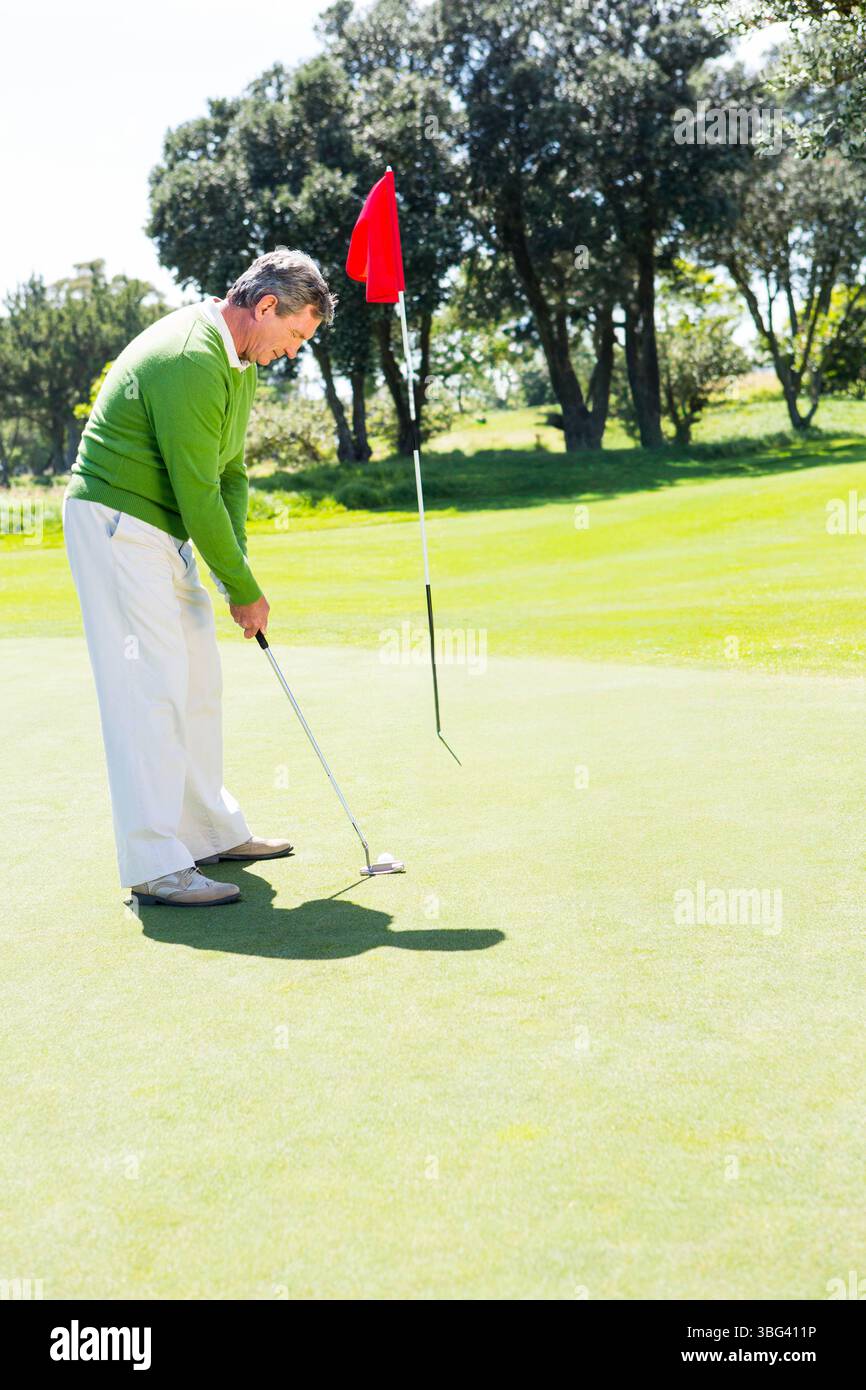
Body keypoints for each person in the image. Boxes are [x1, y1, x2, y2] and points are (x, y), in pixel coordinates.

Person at [63, 247, 337, 907]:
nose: (295, 351)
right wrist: (242, 589)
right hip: (118, 522)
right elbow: (197, 492)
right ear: (266, 306)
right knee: (150, 688)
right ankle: (157, 865)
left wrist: (232, 569)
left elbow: (230, 473)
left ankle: (207, 831)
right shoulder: (192, 356)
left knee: (198, 678)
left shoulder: (239, 364)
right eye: (296, 334)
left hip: (164, 533)